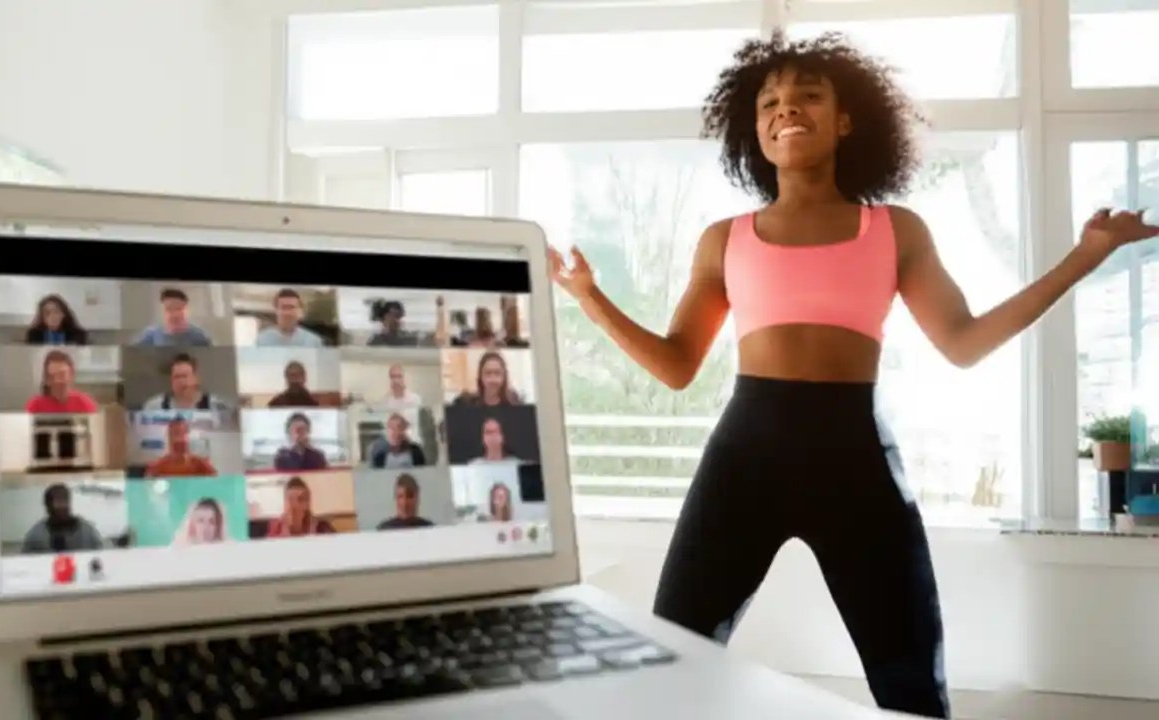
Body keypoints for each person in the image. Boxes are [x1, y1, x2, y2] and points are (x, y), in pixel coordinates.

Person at [546, 32, 1159, 720]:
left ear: (845, 119)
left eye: (808, 95)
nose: (787, 109)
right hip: (744, 457)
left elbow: (965, 342)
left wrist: (1085, 257)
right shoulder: (725, 239)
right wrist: (589, 298)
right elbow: (677, 365)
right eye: (770, 102)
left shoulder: (895, 230)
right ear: (754, 129)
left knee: (912, 685)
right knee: (677, 656)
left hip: (857, 461)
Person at [20, 483, 104, 553]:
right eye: (58, 501)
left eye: (65, 500)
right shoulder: (36, 535)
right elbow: (24, 562)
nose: (63, 506)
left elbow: (101, 555)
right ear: (48, 506)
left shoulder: (86, 531)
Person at [142, 353, 234, 413]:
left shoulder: (218, 406)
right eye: (177, 377)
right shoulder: (154, 406)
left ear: (196, 378)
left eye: (185, 376)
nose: (181, 381)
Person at [24, 350, 99, 414]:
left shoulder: (84, 402)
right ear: (47, 380)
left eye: (62, 375)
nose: (57, 381)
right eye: (52, 376)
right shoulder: (35, 405)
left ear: (71, 374)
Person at [134, 288, 212, 347]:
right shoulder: (150, 335)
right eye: (169, 309)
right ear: (163, 311)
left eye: (179, 309)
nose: (174, 314)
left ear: (187, 310)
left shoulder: (199, 336)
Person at [145, 417, 218, 477]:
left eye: (183, 433)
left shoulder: (200, 464)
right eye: (176, 433)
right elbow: (149, 489)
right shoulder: (157, 466)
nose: (180, 438)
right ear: (169, 437)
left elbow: (215, 483)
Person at [265, 476, 337, 537]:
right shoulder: (275, 528)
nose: (295, 505)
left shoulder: (323, 529)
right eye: (290, 500)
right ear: (284, 503)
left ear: (308, 503)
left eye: (301, 499)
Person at [257, 288, 325, 347]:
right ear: (276, 310)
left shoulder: (314, 341)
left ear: (300, 311)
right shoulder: (262, 340)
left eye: (291, 307)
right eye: (283, 307)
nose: (287, 313)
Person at [452, 351, 523, 406]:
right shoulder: (466, 403)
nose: (493, 379)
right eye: (488, 373)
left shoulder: (515, 404)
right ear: (481, 376)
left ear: (504, 376)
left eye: (497, 373)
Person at [25, 294, 89, 345]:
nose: (52, 316)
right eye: (47, 313)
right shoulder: (34, 335)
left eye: (56, 311)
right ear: (42, 317)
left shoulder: (78, 334)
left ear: (63, 314)